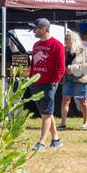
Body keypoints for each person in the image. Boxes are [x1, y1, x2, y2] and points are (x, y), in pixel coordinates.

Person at [28, 19, 66, 150]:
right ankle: (56, 139)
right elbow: (33, 64)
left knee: (46, 113)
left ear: (44, 29)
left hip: (49, 84)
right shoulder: (36, 45)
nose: (33, 31)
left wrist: (54, 82)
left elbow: (61, 67)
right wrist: (31, 79)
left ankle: (41, 143)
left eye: (36, 28)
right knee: (47, 113)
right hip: (35, 83)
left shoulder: (57, 45)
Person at [59, 30, 87, 131]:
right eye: (65, 39)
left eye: (67, 39)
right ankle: (63, 123)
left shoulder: (83, 50)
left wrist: (75, 67)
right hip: (68, 79)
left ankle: (85, 122)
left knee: (82, 101)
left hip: (80, 79)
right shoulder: (64, 50)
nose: (65, 41)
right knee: (65, 101)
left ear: (74, 40)